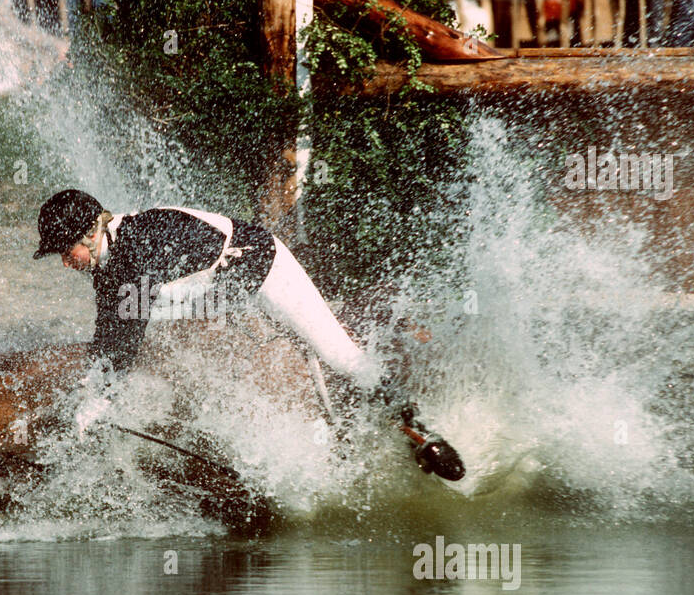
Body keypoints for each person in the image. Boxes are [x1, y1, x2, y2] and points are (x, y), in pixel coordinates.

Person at [32, 190, 466, 480]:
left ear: (92, 231)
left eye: (65, 251)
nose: (64, 263)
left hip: (264, 272)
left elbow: (122, 344)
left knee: (338, 359)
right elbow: (107, 343)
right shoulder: (110, 267)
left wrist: (94, 405)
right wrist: (89, 396)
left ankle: (422, 430)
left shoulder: (134, 253)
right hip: (218, 293)